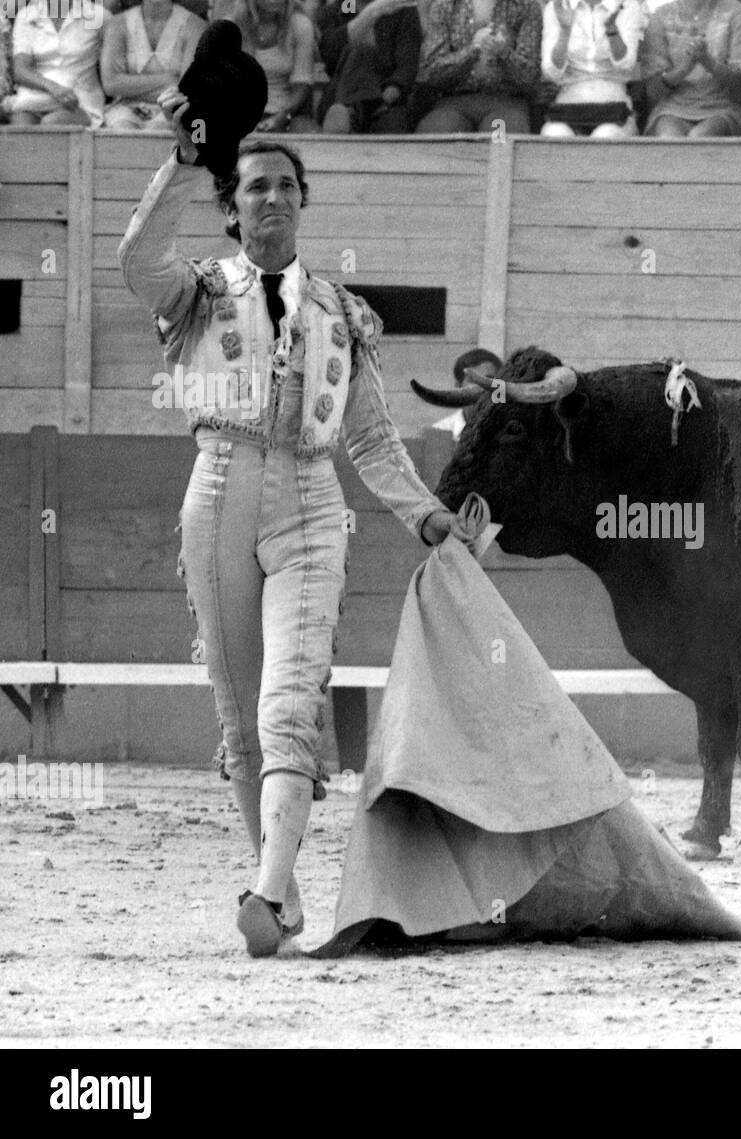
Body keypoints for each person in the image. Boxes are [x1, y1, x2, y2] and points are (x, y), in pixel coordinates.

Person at [118, 96, 470, 956]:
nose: (271, 200)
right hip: (219, 490)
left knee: (288, 704)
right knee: (241, 716)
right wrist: (187, 158)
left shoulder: (343, 315)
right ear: (230, 207)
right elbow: (134, 260)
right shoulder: (196, 291)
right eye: (253, 188)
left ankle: (267, 888)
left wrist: (426, 514)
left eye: (285, 187)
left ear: (302, 203)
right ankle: (283, 896)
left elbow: (374, 437)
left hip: (314, 501)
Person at [410, 0, 542, 134]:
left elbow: (530, 77)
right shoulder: (444, 6)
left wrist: (503, 52)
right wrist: (472, 50)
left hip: (506, 103)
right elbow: (431, 72)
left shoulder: (526, 6)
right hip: (452, 102)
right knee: (436, 132)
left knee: (500, 139)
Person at [643, 0, 741, 136]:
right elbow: (653, 90)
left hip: (724, 108)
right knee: (670, 137)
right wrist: (684, 69)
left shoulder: (734, 11)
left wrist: (708, 63)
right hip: (672, 108)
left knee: (700, 136)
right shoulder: (661, 15)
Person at [540, 0, 649, 137]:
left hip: (615, 106)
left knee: (605, 136)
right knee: (554, 134)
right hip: (568, 106)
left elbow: (626, 65)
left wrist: (612, 30)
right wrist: (565, 31)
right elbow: (551, 72)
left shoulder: (627, 5)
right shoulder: (558, 6)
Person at [316, 0, 422, 133]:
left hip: (385, 98)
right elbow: (329, 53)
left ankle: (356, 110)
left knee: (392, 125)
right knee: (362, 51)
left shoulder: (401, 9)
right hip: (338, 96)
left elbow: (406, 67)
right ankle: (353, 109)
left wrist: (385, 98)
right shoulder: (340, 9)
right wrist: (370, 14)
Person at [216, 0, 322, 132]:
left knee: (302, 128)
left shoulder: (300, 25)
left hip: (286, 112)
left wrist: (283, 116)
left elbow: (302, 84)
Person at [101, 0, 206, 130]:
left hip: (173, 109)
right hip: (124, 108)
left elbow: (187, 90)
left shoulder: (195, 27)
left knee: (158, 129)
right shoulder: (117, 24)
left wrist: (129, 87)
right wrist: (168, 80)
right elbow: (111, 84)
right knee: (122, 128)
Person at [5, 0, 108, 127]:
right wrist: (54, 88)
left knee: (52, 124)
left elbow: (111, 59)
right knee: (21, 125)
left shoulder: (95, 15)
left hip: (79, 100)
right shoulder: (27, 15)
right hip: (34, 98)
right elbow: (20, 70)